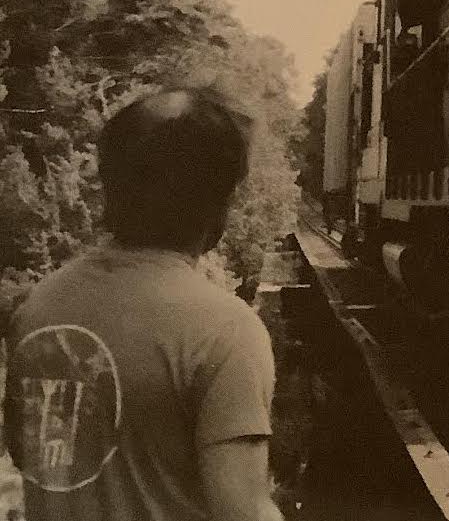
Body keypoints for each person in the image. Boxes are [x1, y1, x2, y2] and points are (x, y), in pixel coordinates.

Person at [3, 87, 282, 521]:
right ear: (219, 201)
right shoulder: (227, 333)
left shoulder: (38, 308)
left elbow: (29, 457)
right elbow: (243, 512)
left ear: (110, 189)